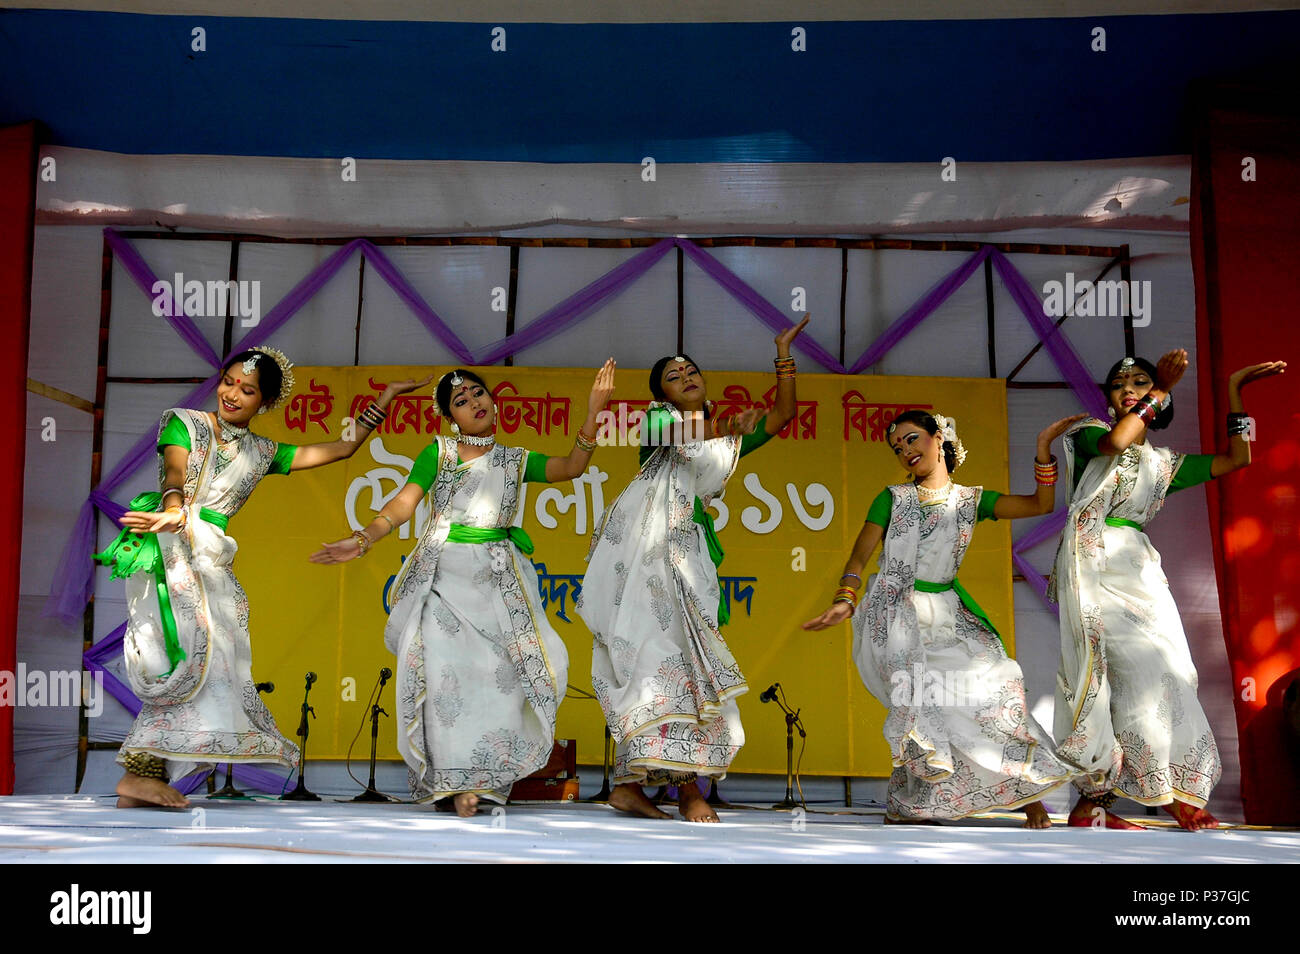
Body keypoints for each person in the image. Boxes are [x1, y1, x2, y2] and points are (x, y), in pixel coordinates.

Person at [99, 347, 430, 807]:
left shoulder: (262, 452)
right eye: (229, 381)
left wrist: (386, 399)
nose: (233, 393)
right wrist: (174, 509)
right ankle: (140, 772)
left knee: (213, 664)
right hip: (170, 547)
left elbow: (344, 447)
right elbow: (176, 472)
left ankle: (144, 776)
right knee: (184, 658)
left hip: (210, 556)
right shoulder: (185, 422)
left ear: (264, 402)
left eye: (247, 389)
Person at [311, 361, 616, 817]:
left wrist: (594, 412)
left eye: (478, 394)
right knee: (446, 677)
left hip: (499, 578)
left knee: (504, 680)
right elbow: (403, 502)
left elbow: (571, 467)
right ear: (450, 419)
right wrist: (363, 539)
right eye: (460, 401)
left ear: (493, 402)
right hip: (444, 576)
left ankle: (486, 782)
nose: (474, 402)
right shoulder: (440, 453)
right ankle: (453, 785)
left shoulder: (516, 460)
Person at [803, 409, 1085, 827]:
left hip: (949, 613)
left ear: (939, 438)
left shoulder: (972, 501)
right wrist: (846, 596)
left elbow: (1042, 503)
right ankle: (927, 800)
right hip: (897, 616)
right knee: (925, 704)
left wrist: (1043, 447)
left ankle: (1027, 792)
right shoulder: (893, 499)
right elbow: (860, 555)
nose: (905, 451)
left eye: (912, 439)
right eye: (898, 447)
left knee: (999, 691)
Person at [579, 318, 809, 823]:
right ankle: (685, 791)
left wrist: (782, 355)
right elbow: (681, 431)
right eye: (671, 373)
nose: (684, 374)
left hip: (690, 557)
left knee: (684, 665)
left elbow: (784, 414)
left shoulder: (725, 441)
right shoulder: (657, 420)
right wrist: (728, 424)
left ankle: (629, 783)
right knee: (654, 659)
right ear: (659, 391)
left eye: (690, 369)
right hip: (644, 551)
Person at [1048, 350, 1286, 830]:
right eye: (1120, 383)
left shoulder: (1162, 465)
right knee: (1107, 676)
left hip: (1138, 571)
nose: (1129, 387)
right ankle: (1094, 800)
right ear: (1111, 398)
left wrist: (1236, 393)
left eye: (1140, 380)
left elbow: (1236, 459)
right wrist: (1158, 391)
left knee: (1172, 673)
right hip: (1093, 564)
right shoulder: (1087, 433)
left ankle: (1169, 791)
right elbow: (1117, 442)